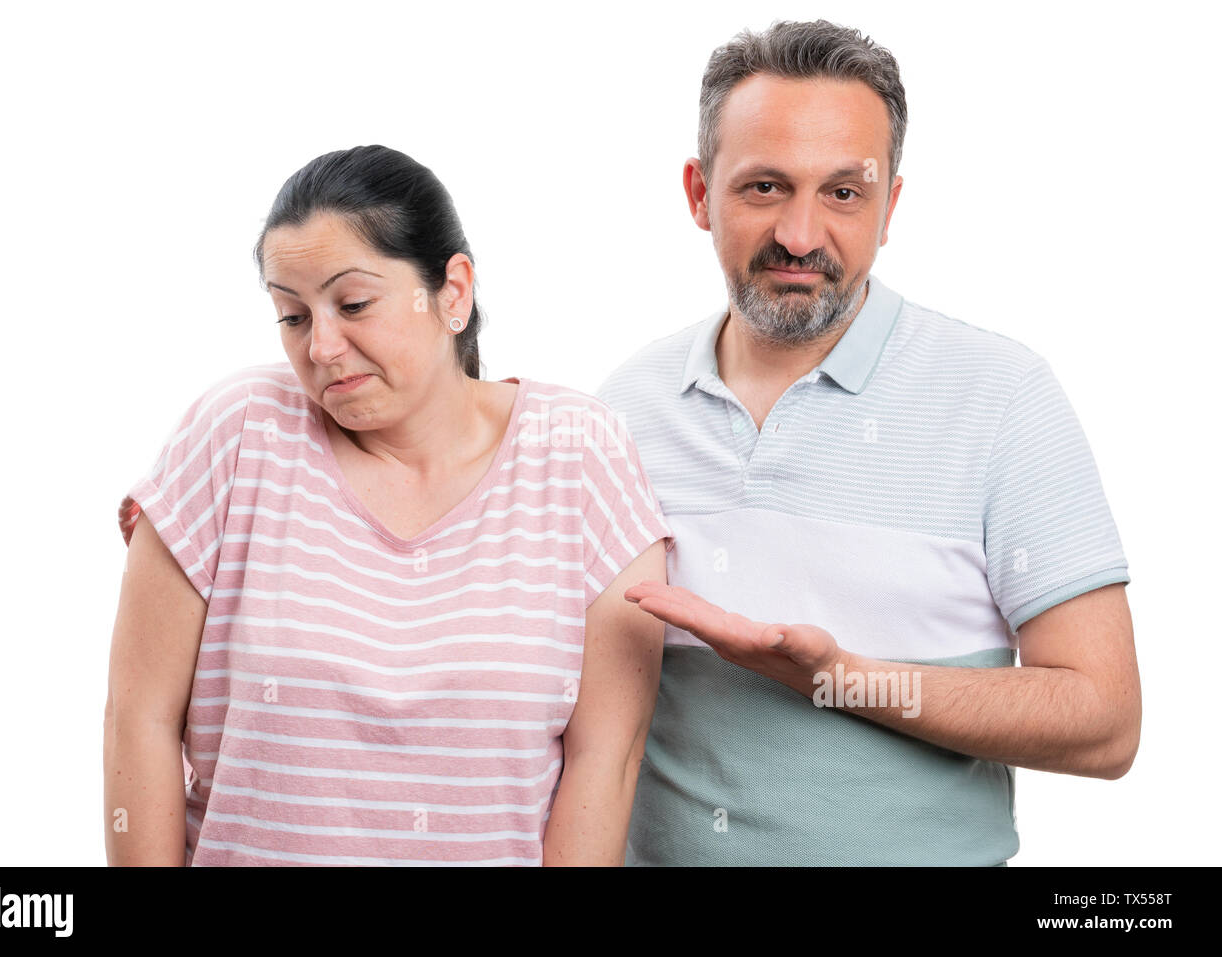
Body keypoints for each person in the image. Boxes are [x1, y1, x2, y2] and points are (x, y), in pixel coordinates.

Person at [596, 19, 1140, 866]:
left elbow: (1105, 725)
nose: (802, 236)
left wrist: (843, 679)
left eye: (844, 193)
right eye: (765, 187)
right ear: (700, 194)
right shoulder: (625, 408)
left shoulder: (1003, 397)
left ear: (890, 205)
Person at [104, 145, 673, 866]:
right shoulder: (233, 435)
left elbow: (607, 756)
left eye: (353, 304)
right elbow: (140, 720)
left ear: (453, 291)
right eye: (293, 316)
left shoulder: (582, 453)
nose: (323, 347)